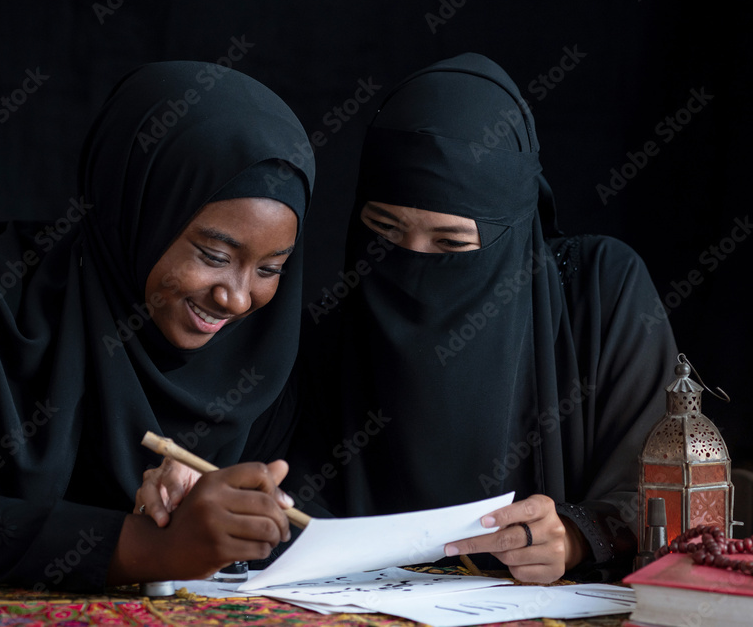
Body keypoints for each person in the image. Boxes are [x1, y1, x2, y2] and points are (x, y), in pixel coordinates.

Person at [0, 61, 315, 591]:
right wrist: (152, 547)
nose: (235, 298)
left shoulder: (267, 348)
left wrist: (233, 521)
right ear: (136, 208)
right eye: (213, 254)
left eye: (270, 269)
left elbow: (310, 525)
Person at [287, 52, 679, 583]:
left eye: (451, 243)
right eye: (384, 231)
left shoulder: (598, 292)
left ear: (514, 230)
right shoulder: (332, 332)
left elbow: (664, 488)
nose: (412, 261)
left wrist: (577, 536)